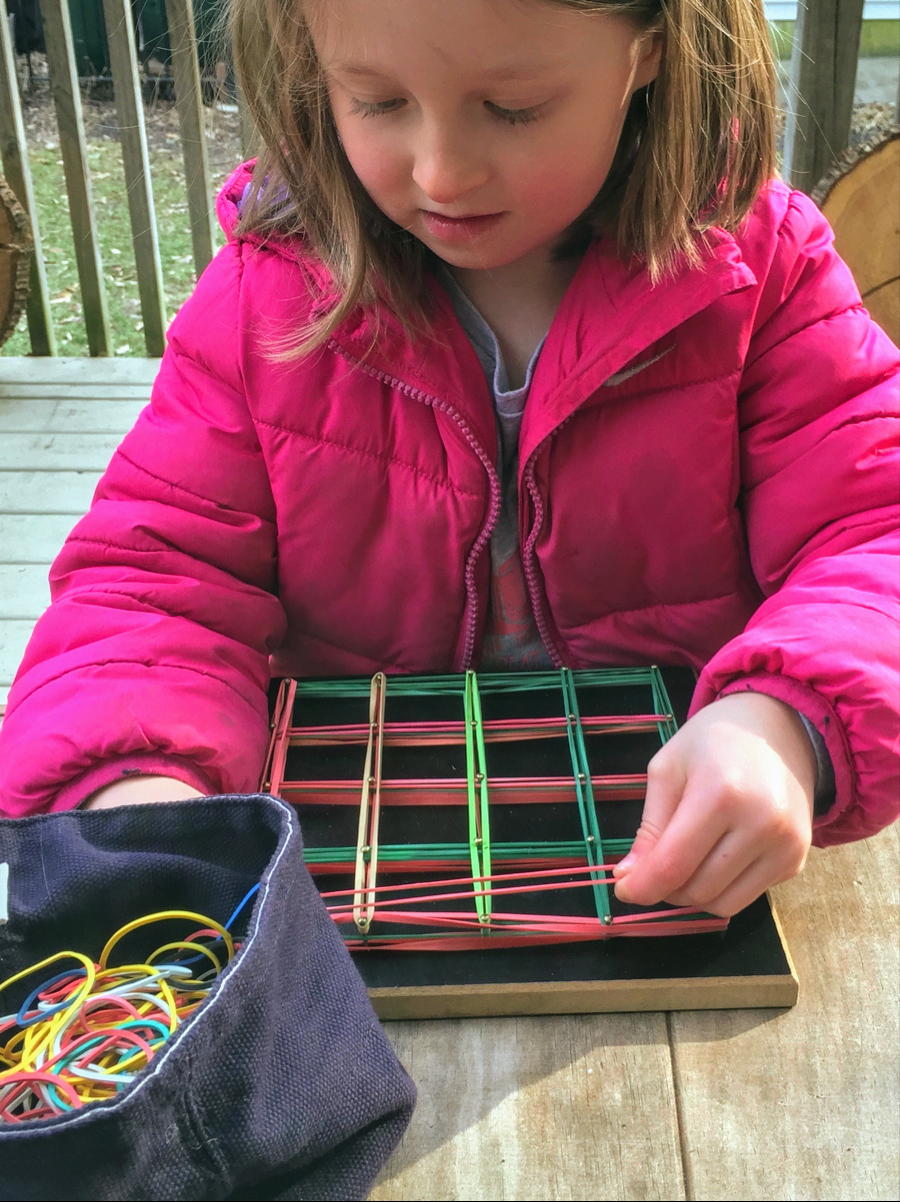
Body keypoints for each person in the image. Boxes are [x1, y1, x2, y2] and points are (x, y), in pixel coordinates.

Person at [0, 0, 897, 919]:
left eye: (515, 108)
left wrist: (788, 716)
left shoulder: (765, 272)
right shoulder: (261, 299)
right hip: (346, 880)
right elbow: (152, 585)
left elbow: (877, 529)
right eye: (377, 100)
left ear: (650, 54)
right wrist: (134, 790)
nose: (442, 172)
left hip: (688, 860)